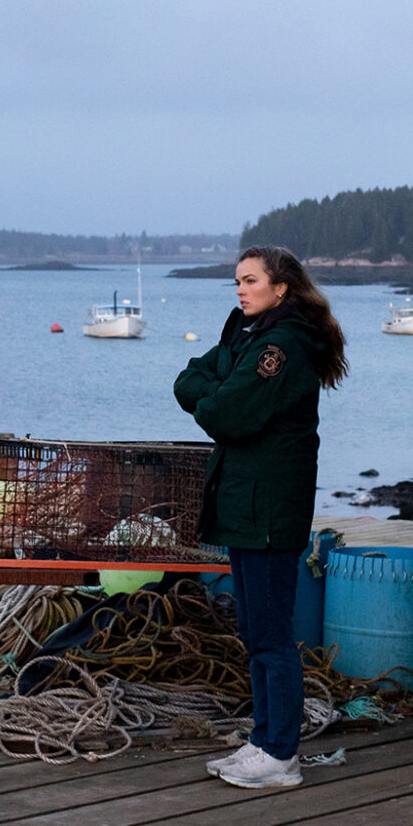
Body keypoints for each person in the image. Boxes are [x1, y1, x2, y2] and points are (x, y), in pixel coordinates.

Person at [173, 245, 348, 789]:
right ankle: (263, 739)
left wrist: (218, 392)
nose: (241, 290)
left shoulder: (282, 345)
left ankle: (281, 755)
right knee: (253, 630)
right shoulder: (246, 335)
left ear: (282, 288)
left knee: (272, 634)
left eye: (250, 281)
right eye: (237, 282)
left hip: (270, 507)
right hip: (245, 505)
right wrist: (220, 386)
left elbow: (228, 413)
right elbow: (187, 380)